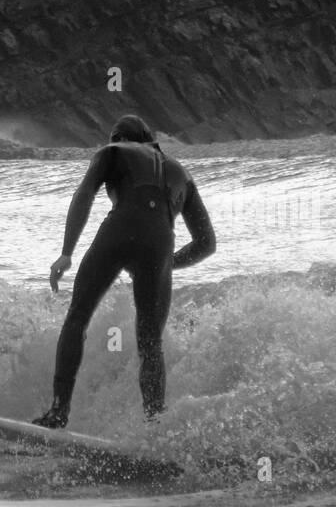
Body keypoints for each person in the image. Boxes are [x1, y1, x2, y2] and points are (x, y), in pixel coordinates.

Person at [36, 115, 215, 428]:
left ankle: (58, 412)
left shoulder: (113, 151)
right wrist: (165, 264)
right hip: (160, 241)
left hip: (120, 228)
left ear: (119, 138)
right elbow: (206, 243)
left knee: (77, 317)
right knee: (150, 342)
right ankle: (155, 425)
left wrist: (66, 252)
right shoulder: (182, 173)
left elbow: (83, 195)